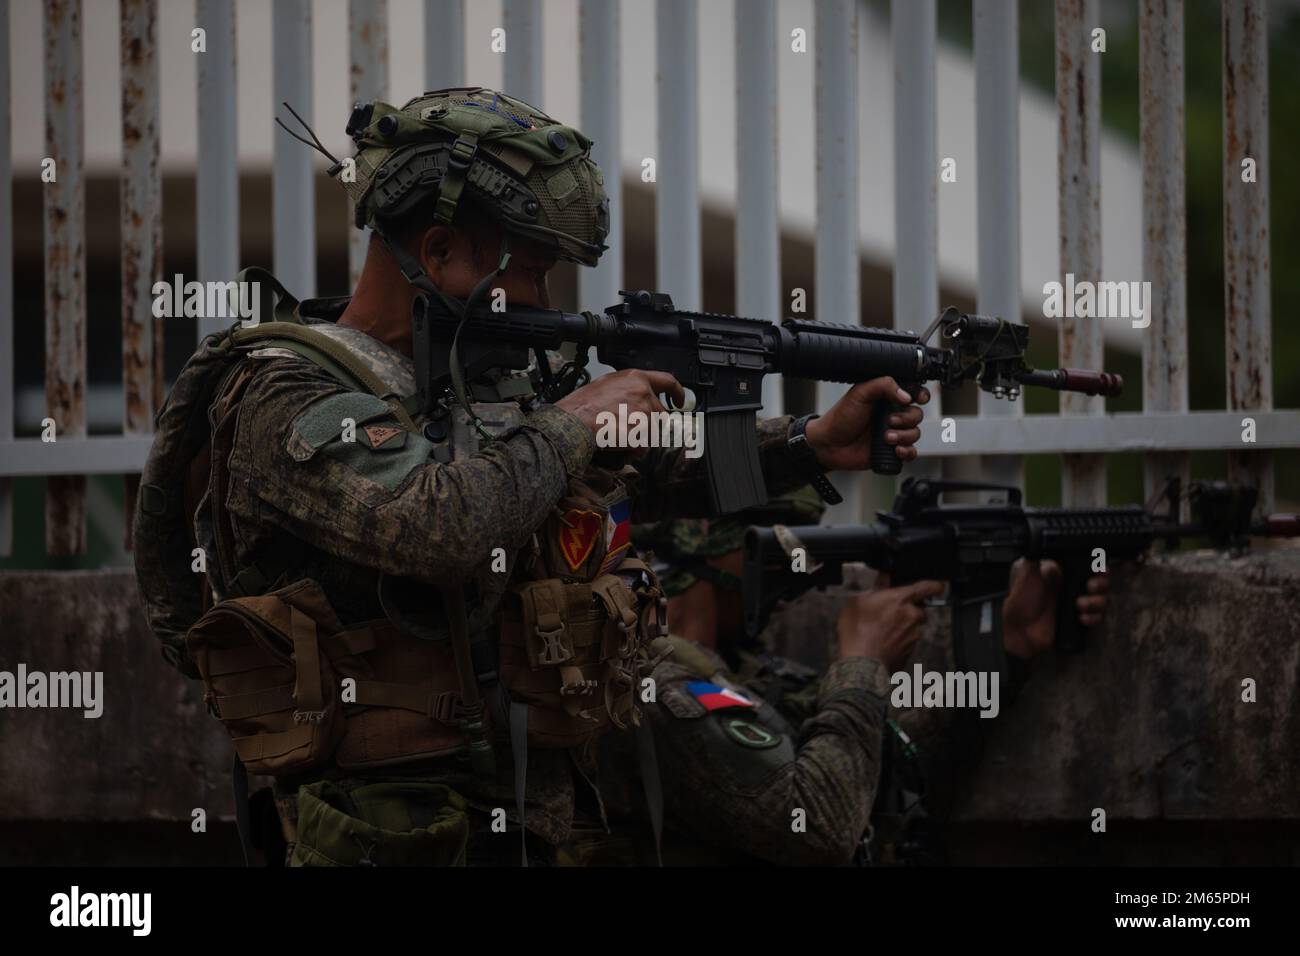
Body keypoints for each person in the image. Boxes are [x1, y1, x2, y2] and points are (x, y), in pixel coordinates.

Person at [132, 87, 931, 866]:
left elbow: (639, 472)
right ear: (439, 251)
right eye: (533, 272)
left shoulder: (474, 389)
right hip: (379, 829)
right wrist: (573, 419)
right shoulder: (286, 392)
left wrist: (812, 442)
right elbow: (436, 527)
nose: (546, 302)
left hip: (523, 814)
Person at [595, 493, 1109, 865]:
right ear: (703, 549)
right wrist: (863, 665)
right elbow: (821, 828)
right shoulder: (656, 688)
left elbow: (888, 778)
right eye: (775, 546)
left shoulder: (734, 671)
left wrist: (1009, 648)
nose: (795, 572)